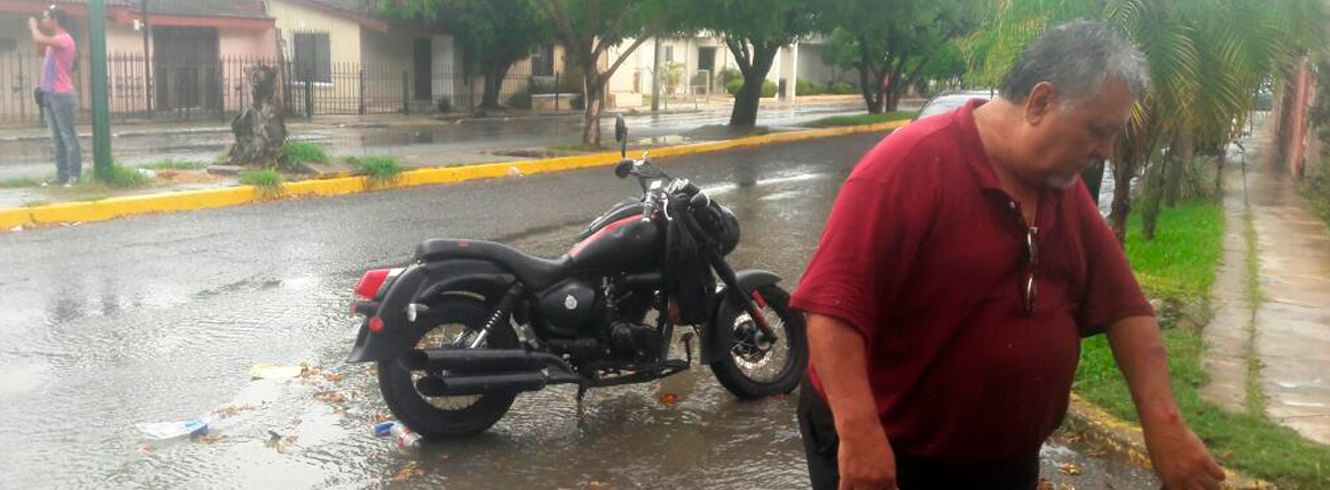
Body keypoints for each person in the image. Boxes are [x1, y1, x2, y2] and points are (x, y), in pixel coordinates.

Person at [792, 21, 1226, 490]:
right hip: (893, 451)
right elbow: (832, 312)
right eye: (1098, 131)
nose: (1106, 150)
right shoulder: (908, 166)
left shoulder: (1061, 190)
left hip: (1002, 459)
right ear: (1040, 102)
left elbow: (1127, 312)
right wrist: (859, 434)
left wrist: (1164, 422)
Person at [29, 6, 81, 187]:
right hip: (48, 93)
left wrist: (34, 27)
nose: (43, 20)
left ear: (55, 20)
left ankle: (74, 176)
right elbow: (39, 51)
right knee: (56, 138)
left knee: (68, 136)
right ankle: (62, 175)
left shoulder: (65, 39)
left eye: (45, 17)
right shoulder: (53, 42)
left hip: (61, 94)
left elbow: (39, 37)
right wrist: (39, 35)